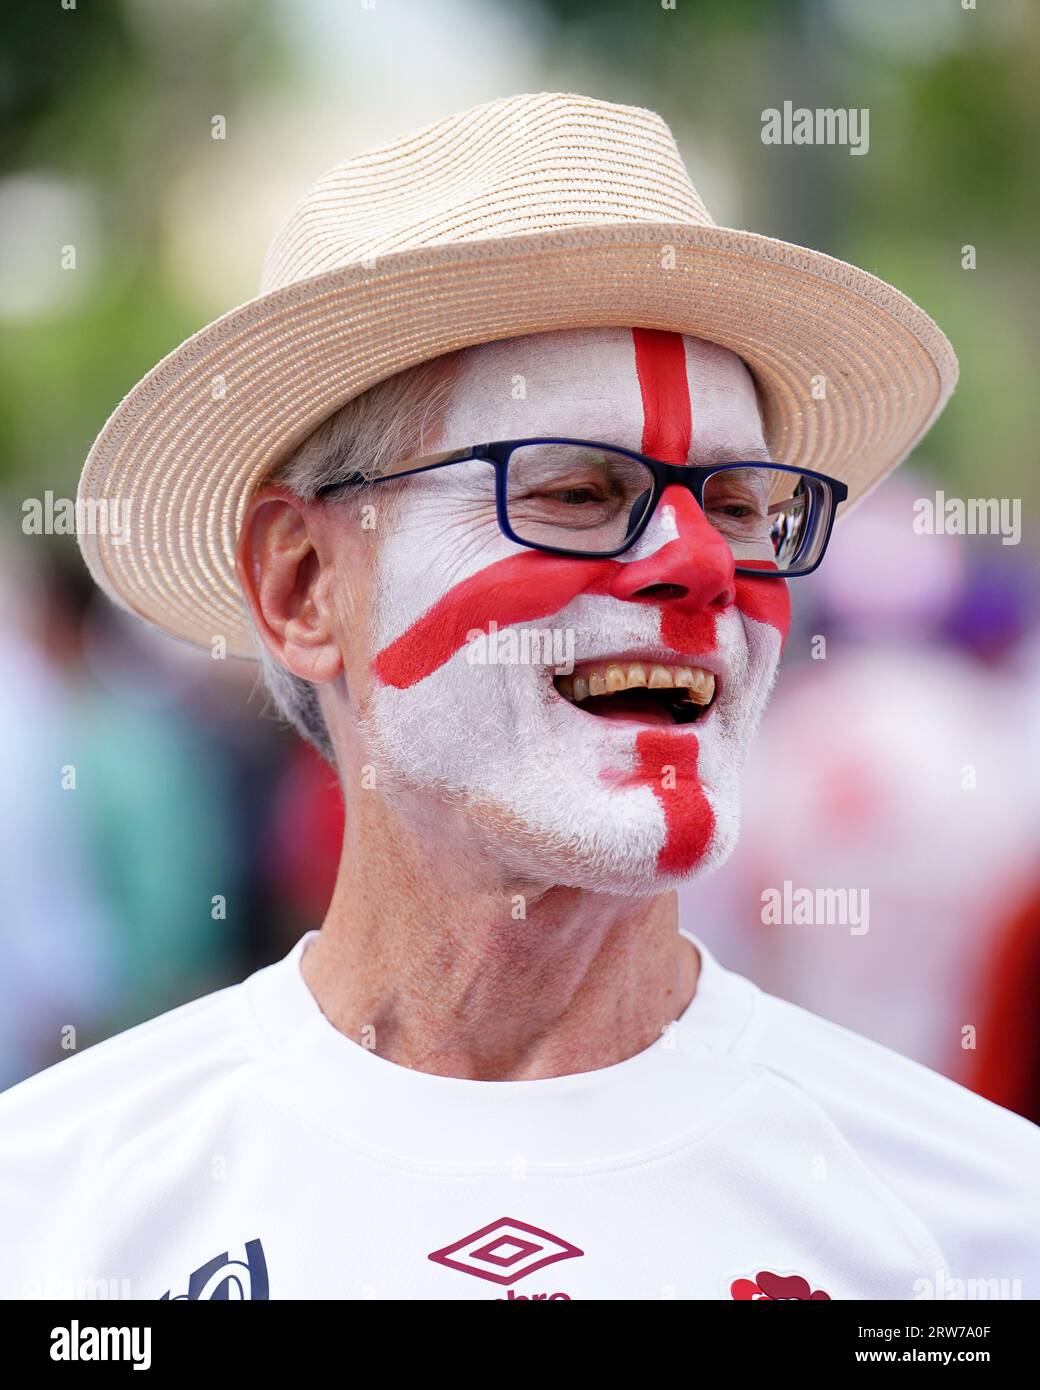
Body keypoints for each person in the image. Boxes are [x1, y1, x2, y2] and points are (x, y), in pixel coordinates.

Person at [2, 92, 1036, 1302]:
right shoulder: (52, 1215)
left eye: (747, 506)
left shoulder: (971, 1232)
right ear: (302, 584)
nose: (701, 566)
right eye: (575, 490)